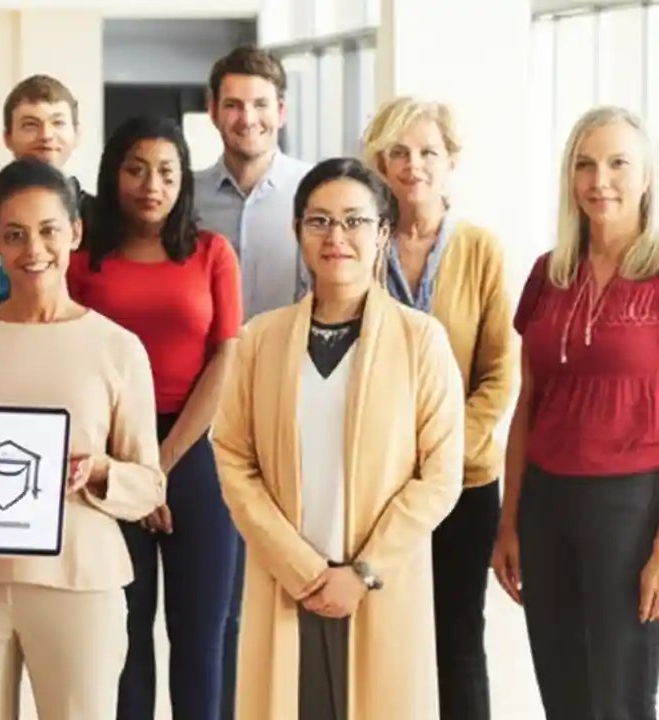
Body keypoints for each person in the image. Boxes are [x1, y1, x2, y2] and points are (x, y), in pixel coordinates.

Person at [214, 157, 465, 720]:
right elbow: (233, 455)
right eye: (320, 221)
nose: (336, 237)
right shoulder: (261, 340)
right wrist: (298, 565)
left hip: (379, 583)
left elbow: (440, 474)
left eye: (354, 221)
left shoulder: (421, 341)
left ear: (383, 233)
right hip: (287, 579)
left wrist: (364, 571)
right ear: (298, 230)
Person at [0, 157, 165, 719]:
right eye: (15, 234)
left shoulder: (118, 349)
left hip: (79, 578)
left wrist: (98, 470)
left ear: (75, 232)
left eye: (49, 230)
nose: (34, 249)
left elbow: (149, 486)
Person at [66, 115, 241, 720]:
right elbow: (72, 359)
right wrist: (127, 471)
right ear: (113, 173)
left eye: (167, 172)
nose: (151, 185)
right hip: (106, 454)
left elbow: (225, 358)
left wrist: (156, 471)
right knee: (122, 634)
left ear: (183, 180)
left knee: (202, 637)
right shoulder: (82, 259)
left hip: (193, 452)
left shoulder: (212, 253)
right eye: (136, 170)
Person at [493, 106, 659, 720]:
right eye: (585, 165)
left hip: (631, 508)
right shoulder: (549, 273)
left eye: (618, 164)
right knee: (562, 693)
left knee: (620, 700)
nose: (600, 180)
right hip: (545, 504)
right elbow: (528, 403)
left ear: (646, 177)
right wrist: (509, 520)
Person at [359, 96, 514, 720]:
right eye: (398, 152)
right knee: (382, 636)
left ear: (451, 160)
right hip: (378, 484)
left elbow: (500, 373)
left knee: (457, 636)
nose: (413, 165)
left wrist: (442, 456)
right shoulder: (363, 244)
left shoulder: (480, 249)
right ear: (381, 163)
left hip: (465, 482)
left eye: (428, 152)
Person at [193, 48, 312, 713]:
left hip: (289, 413)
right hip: (205, 416)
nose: (248, 118)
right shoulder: (185, 196)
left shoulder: (311, 194)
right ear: (213, 110)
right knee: (217, 600)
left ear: (282, 111)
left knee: (282, 587)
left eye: (261, 104)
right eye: (234, 104)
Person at [0, 74, 96, 303]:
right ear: (8, 138)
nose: (46, 136)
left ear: (76, 134)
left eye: (58, 123)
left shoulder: (105, 218)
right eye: (30, 125)